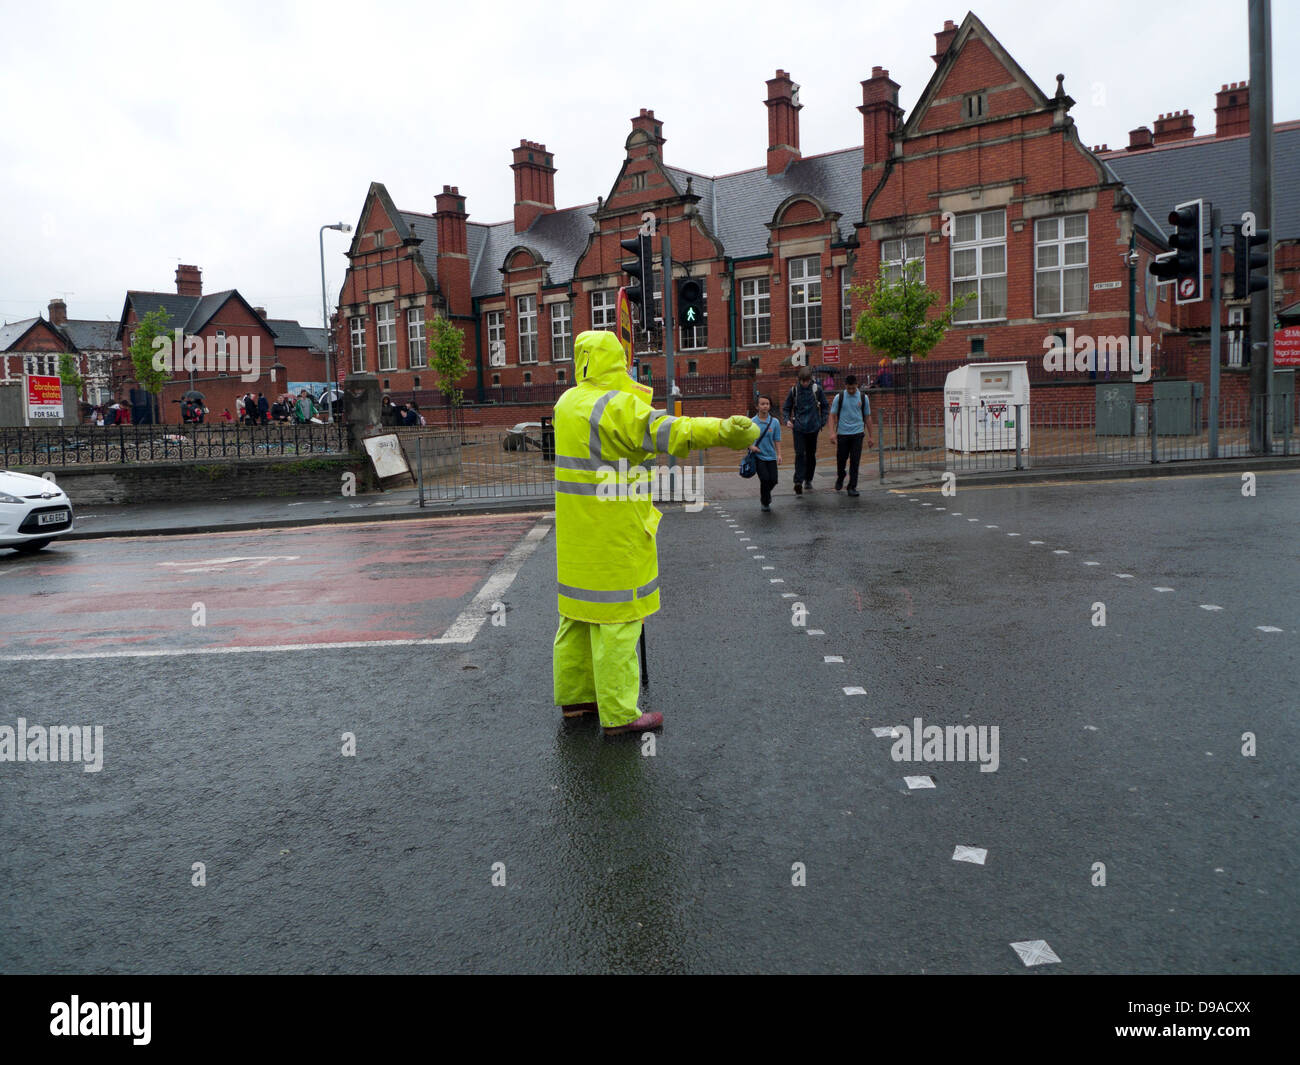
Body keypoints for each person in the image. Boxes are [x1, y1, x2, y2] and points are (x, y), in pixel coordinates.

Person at [553, 329, 759, 737]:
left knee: (576, 619)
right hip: (615, 536)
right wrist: (724, 432)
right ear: (617, 361)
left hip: (577, 540)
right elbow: (673, 431)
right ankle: (620, 714)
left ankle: (577, 699)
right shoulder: (616, 406)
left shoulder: (566, 403)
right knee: (618, 624)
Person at [781, 366, 828, 495]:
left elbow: (825, 406)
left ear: (810, 379)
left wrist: (822, 422)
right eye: (803, 381)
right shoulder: (794, 391)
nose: (805, 383)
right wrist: (787, 420)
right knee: (800, 454)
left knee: (811, 455)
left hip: (813, 427)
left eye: (807, 381)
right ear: (799, 380)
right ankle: (798, 481)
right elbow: (786, 408)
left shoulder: (817, 390)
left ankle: (808, 479)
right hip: (799, 428)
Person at [828, 374, 875, 497]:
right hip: (843, 434)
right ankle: (841, 476)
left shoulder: (863, 398)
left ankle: (852, 486)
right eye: (849, 388)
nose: (851, 391)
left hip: (858, 434)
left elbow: (867, 417)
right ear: (845, 386)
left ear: (857, 385)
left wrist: (871, 436)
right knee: (841, 460)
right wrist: (832, 433)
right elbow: (832, 416)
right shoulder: (839, 397)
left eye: (853, 388)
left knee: (855, 461)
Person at [748, 394, 782, 512]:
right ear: (757, 406)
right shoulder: (751, 422)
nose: (765, 406)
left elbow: (777, 439)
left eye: (767, 404)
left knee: (773, 480)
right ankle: (765, 501)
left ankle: (765, 494)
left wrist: (779, 454)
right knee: (765, 479)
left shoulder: (775, 422)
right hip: (758, 456)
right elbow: (745, 439)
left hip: (771, 456)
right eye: (762, 404)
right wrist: (751, 447)